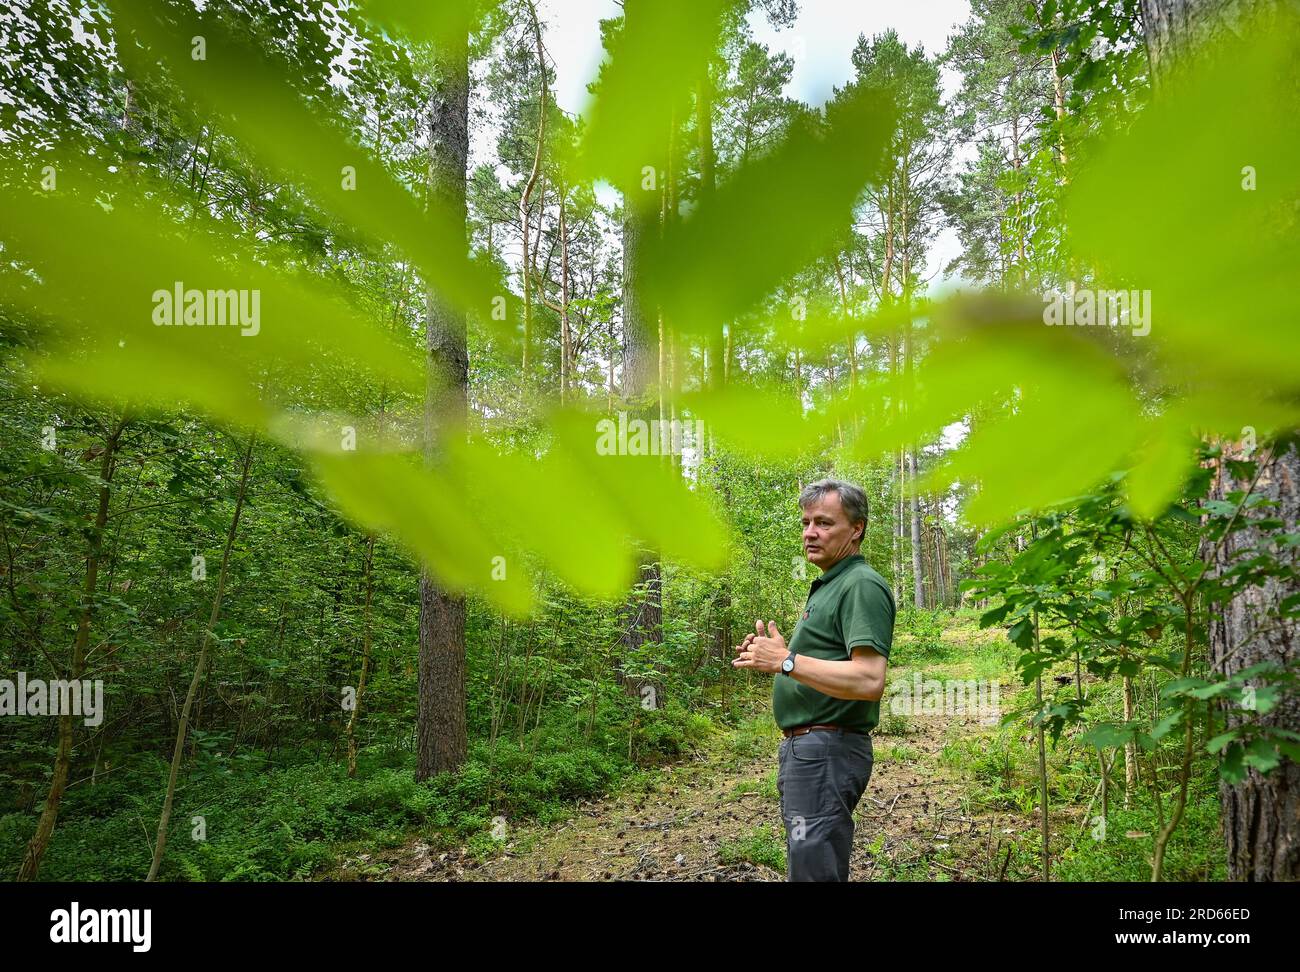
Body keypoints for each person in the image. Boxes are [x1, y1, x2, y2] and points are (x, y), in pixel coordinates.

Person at [732, 477, 895, 881]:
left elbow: (869, 679)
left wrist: (787, 662)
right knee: (807, 864)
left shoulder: (860, 584)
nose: (809, 533)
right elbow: (822, 664)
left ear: (856, 529)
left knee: (813, 871)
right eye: (806, 522)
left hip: (827, 750)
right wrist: (777, 658)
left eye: (823, 523)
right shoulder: (831, 583)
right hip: (811, 750)